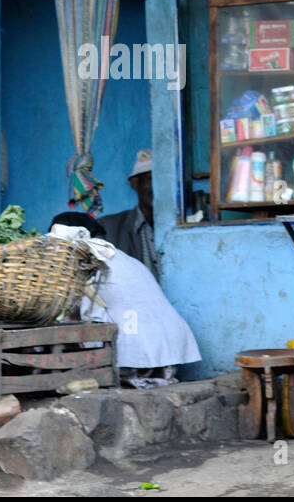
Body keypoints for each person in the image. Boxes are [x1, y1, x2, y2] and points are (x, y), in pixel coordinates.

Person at [50, 212, 201, 385]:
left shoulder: (83, 259)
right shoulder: (121, 257)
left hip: (135, 359)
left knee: (66, 327)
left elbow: (74, 314)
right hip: (167, 356)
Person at [100, 149, 158, 280]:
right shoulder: (108, 229)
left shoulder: (178, 228)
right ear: (135, 183)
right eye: (151, 178)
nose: (158, 186)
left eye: (163, 180)